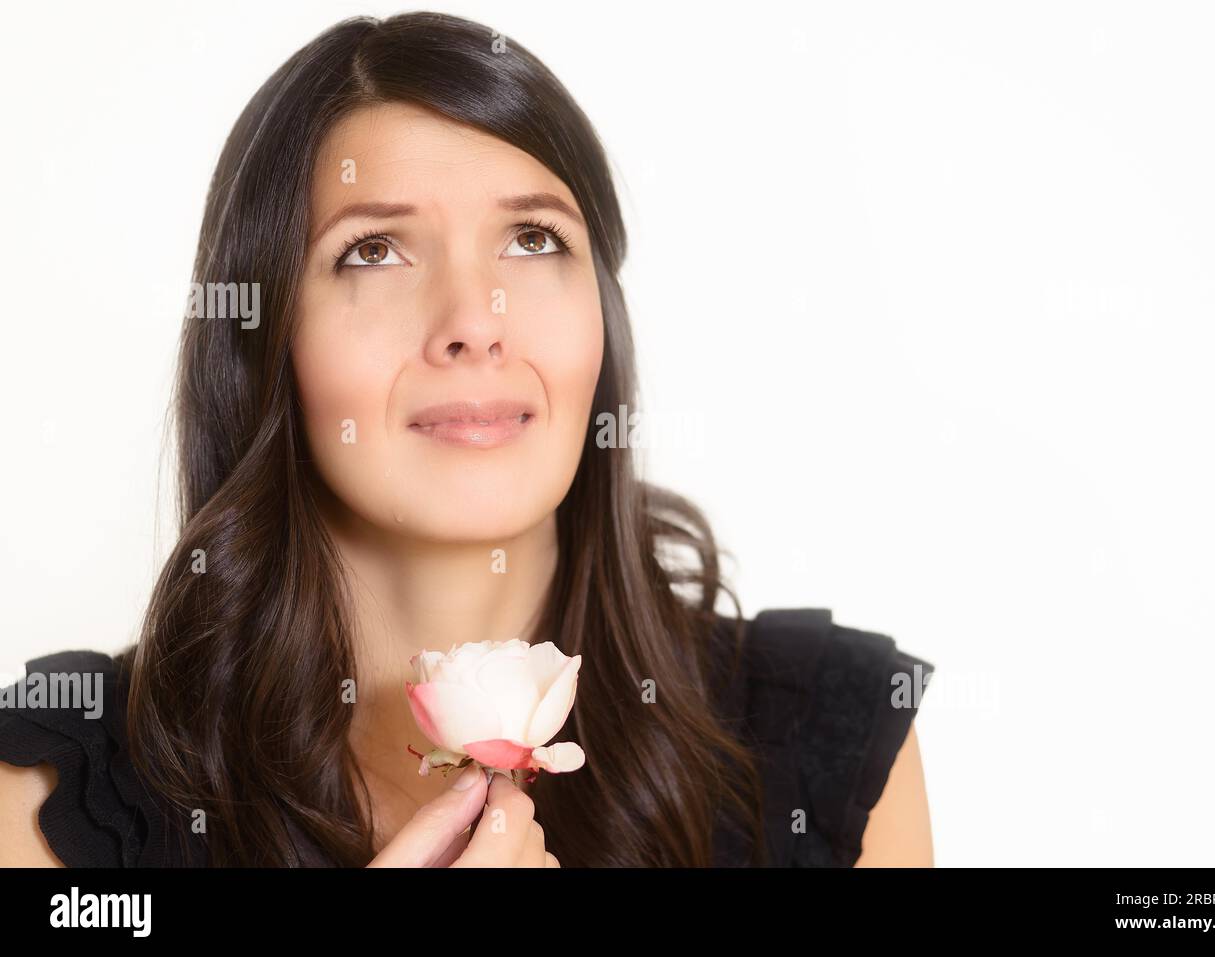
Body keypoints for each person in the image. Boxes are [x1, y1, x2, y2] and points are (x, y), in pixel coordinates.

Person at [0, 11, 934, 868]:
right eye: (374, 251)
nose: (474, 321)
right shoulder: (56, 792)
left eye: (533, 239)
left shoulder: (820, 741)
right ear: (264, 339)